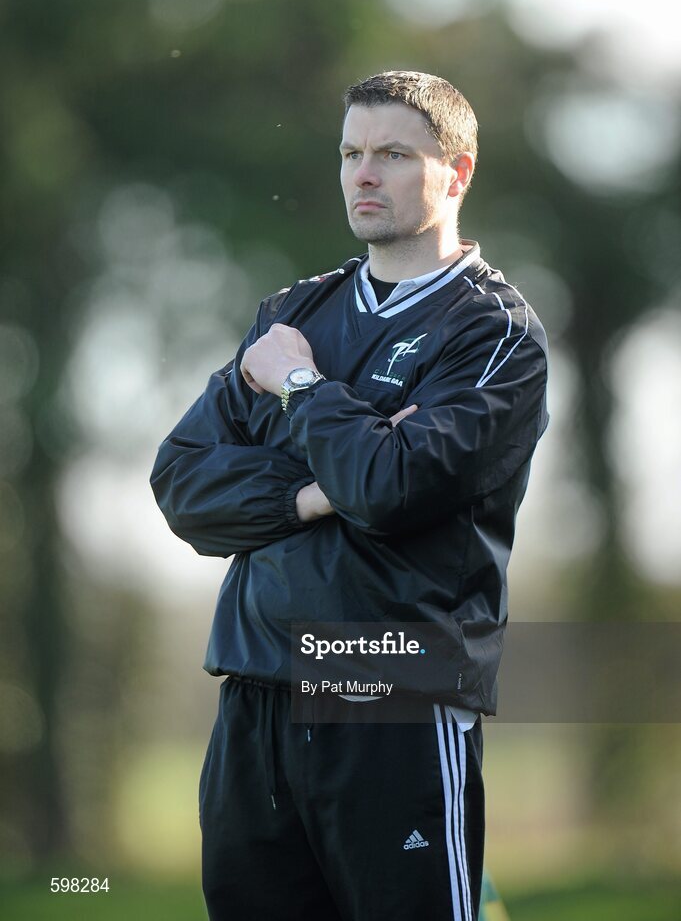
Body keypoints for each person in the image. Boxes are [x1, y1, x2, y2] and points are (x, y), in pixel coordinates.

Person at [150, 69, 549, 921]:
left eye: (393, 154)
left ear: (457, 171)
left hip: (392, 688)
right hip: (254, 686)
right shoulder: (292, 312)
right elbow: (182, 482)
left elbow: (387, 487)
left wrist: (299, 388)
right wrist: (312, 493)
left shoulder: (494, 333)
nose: (363, 174)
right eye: (350, 153)